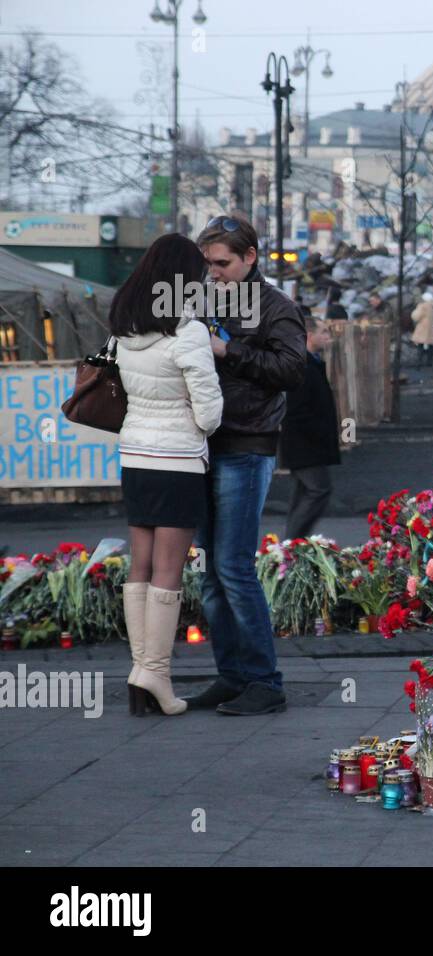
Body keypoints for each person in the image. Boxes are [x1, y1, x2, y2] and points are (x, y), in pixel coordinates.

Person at [184, 213, 307, 716]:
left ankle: (264, 680)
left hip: (247, 445)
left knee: (234, 567)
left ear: (250, 257)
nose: (213, 273)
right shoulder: (198, 300)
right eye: (206, 264)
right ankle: (232, 674)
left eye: (222, 263)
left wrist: (226, 350)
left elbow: (291, 370)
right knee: (212, 570)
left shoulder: (277, 306)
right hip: (202, 445)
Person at [113, 234, 223, 716]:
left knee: (139, 566)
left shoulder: (125, 325)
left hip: (135, 457)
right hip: (177, 462)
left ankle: (141, 670)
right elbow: (210, 413)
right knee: (168, 571)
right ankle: (155, 672)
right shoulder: (189, 331)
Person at [280, 315, 340, 540]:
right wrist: (318, 434)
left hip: (306, 442)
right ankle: (293, 542)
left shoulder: (310, 362)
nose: (327, 337)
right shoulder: (303, 364)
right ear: (309, 335)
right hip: (304, 443)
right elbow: (296, 409)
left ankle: (292, 543)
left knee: (303, 491)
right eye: (323, 332)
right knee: (318, 489)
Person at [410, 290, 433, 367]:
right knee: (431, 346)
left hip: (423, 328)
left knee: (420, 346)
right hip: (432, 329)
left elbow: (415, 317)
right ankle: (429, 362)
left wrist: (413, 312)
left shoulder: (422, 306)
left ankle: (419, 362)